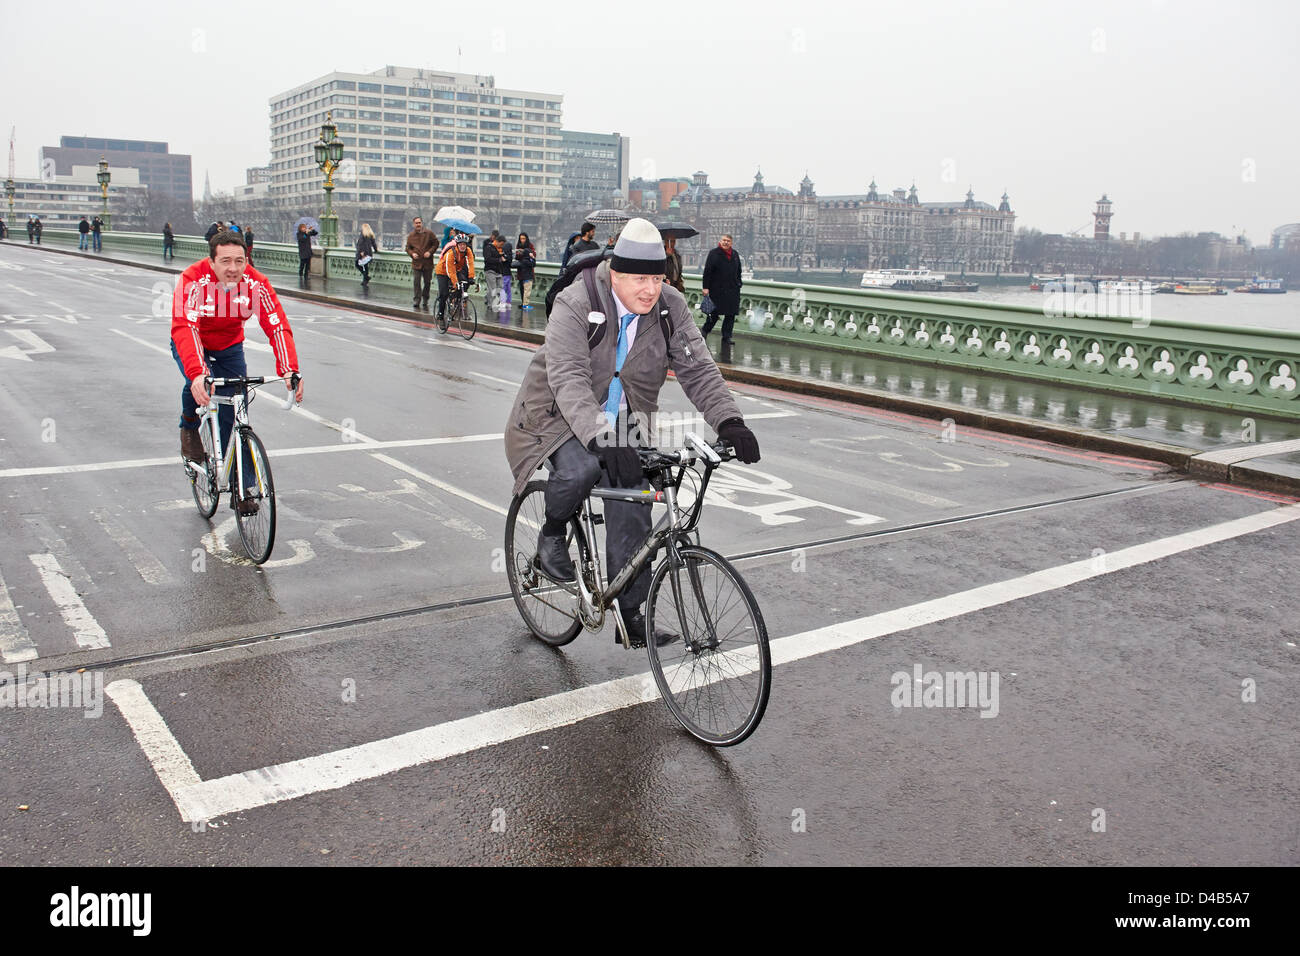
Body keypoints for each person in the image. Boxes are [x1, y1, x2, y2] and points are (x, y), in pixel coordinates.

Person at [504, 218, 760, 648]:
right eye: (640, 278)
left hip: (628, 422)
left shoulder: (670, 307)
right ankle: (551, 537)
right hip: (557, 414)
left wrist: (729, 421)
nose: (650, 288)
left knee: (637, 507)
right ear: (615, 273)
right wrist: (600, 436)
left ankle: (632, 612)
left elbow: (698, 370)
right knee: (581, 469)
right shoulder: (577, 299)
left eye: (658, 278)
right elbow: (567, 378)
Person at [170, 231, 304, 515]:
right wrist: (196, 374)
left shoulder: (255, 283)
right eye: (225, 261)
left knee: (237, 415)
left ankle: (244, 488)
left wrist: (290, 369)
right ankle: (189, 425)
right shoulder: (192, 280)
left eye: (239, 261)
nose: (233, 269)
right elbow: (186, 327)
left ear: (247, 260)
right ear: (212, 261)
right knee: (197, 384)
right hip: (195, 341)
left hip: (230, 345)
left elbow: (276, 323)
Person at [700, 234, 743, 344]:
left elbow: (739, 271)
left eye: (728, 241)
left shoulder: (735, 254)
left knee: (730, 315)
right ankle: (704, 331)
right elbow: (707, 272)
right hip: (717, 289)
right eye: (724, 240)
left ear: (731, 243)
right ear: (720, 241)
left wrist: (739, 283)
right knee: (714, 313)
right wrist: (705, 287)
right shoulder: (714, 253)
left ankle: (726, 337)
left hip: (732, 290)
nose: (725, 242)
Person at [435, 231, 476, 322]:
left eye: (464, 244)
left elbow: (471, 264)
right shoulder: (451, 253)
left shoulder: (468, 251)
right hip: (442, 271)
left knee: (462, 286)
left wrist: (471, 277)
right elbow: (450, 270)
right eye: (460, 244)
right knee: (444, 293)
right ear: (457, 245)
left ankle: (453, 300)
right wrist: (455, 283)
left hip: (456, 269)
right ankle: (440, 313)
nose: (462, 246)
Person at [405, 216, 436, 309]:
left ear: (422, 223)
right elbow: (407, 248)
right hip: (416, 263)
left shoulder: (429, 233)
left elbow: (436, 243)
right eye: (416, 223)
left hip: (427, 263)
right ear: (414, 224)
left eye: (419, 223)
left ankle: (425, 299)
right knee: (416, 282)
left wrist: (430, 252)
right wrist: (412, 254)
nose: (418, 224)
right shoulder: (411, 236)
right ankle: (417, 300)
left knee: (427, 282)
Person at [514, 232, 537, 309]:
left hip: (527, 269)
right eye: (521, 239)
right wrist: (519, 254)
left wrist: (525, 253)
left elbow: (533, 255)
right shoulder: (518, 245)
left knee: (526, 289)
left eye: (523, 238)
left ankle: (525, 304)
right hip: (520, 270)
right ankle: (523, 302)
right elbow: (516, 257)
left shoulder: (530, 246)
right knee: (521, 288)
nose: (522, 240)